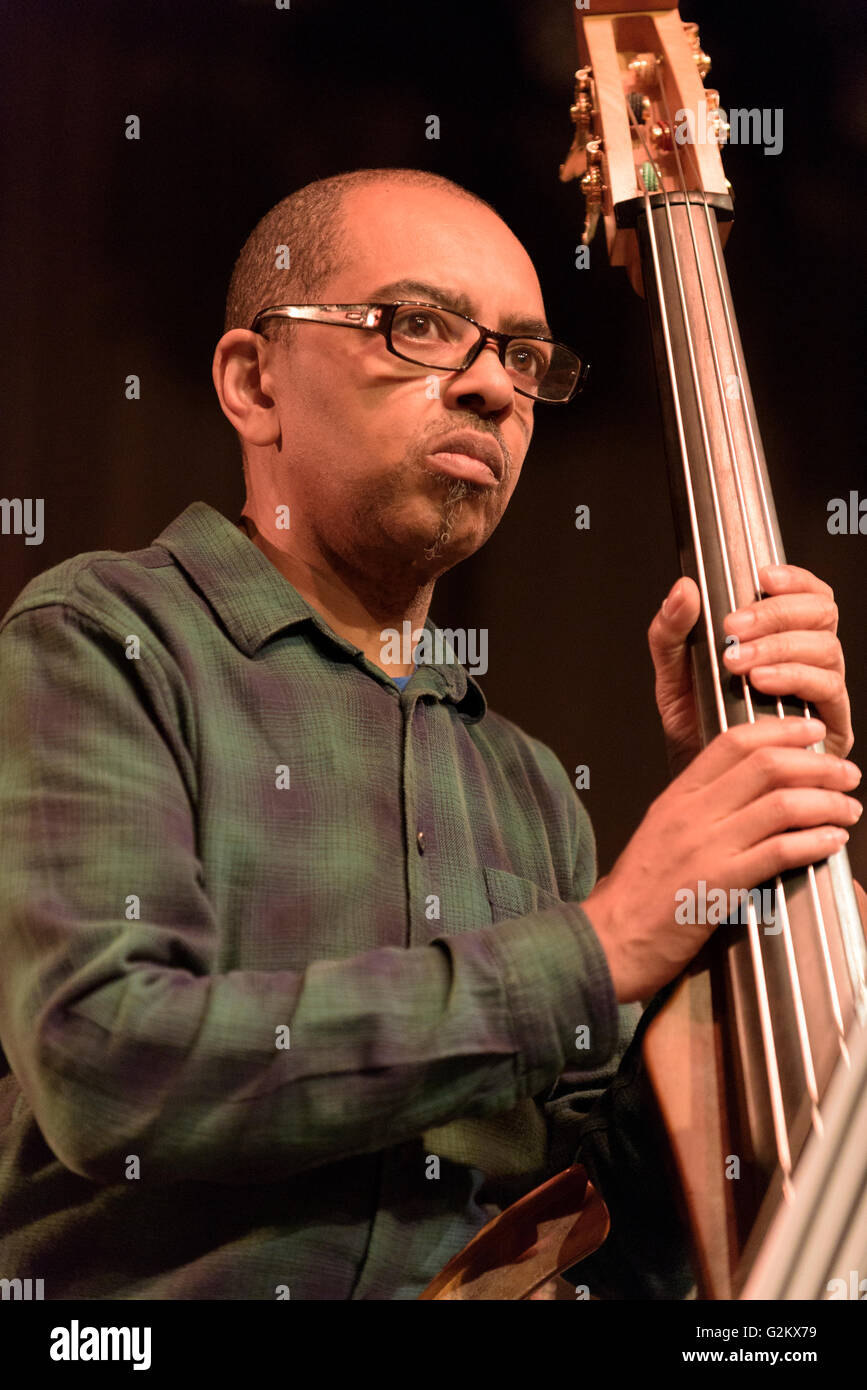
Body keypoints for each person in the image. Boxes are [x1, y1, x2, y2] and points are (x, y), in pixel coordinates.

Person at [0, 168, 861, 1301]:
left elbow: (613, 1226)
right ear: (253, 382)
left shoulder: (528, 784)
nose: (495, 391)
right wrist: (598, 946)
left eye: (522, 357)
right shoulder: (103, 640)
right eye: (418, 327)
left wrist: (749, 871)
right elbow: (107, 1063)